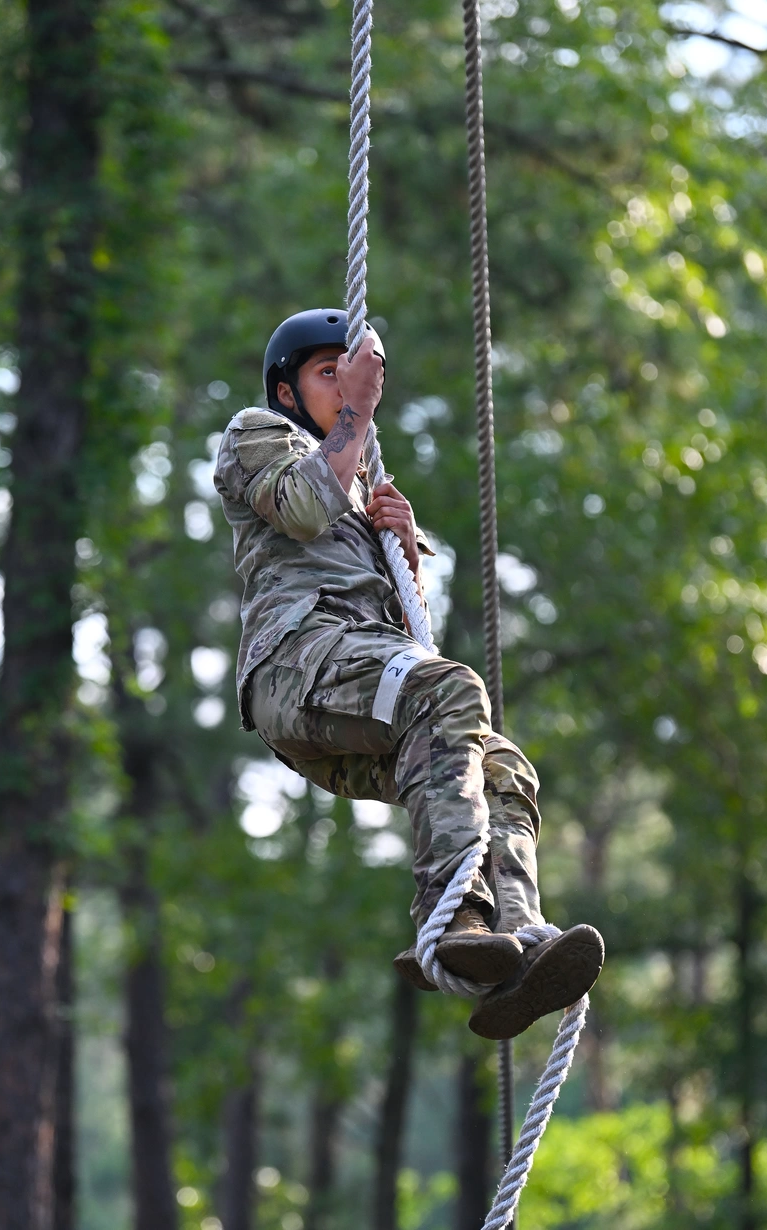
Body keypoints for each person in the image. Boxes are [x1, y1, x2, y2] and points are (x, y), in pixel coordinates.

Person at [213, 309, 603, 1039]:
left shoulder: (365, 486)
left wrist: (404, 557)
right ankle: (449, 911)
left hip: (347, 698)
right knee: (452, 688)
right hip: (296, 668)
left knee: (501, 765)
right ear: (288, 392)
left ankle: (515, 942)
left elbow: (403, 638)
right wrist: (358, 409)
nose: (344, 384)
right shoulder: (257, 435)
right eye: (326, 373)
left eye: (350, 372)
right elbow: (301, 510)